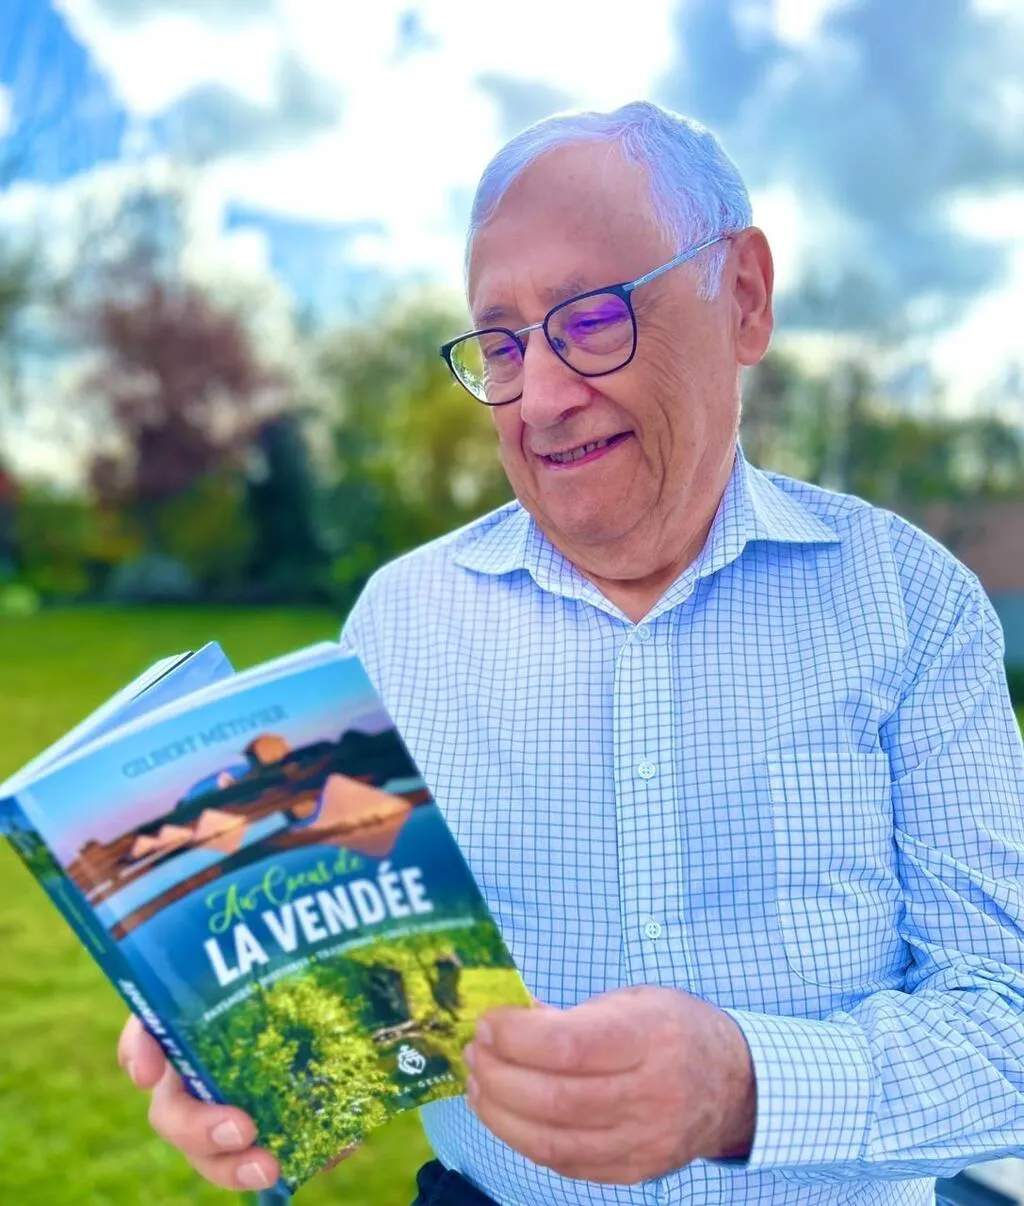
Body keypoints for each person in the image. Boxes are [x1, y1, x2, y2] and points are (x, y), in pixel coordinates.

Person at [117, 101, 1024, 1205]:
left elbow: (1009, 1021)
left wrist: (747, 1089)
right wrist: (250, 1056)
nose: (541, 399)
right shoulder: (399, 624)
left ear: (742, 297)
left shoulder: (910, 603)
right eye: (501, 345)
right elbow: (350, 988)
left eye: (594, 319)